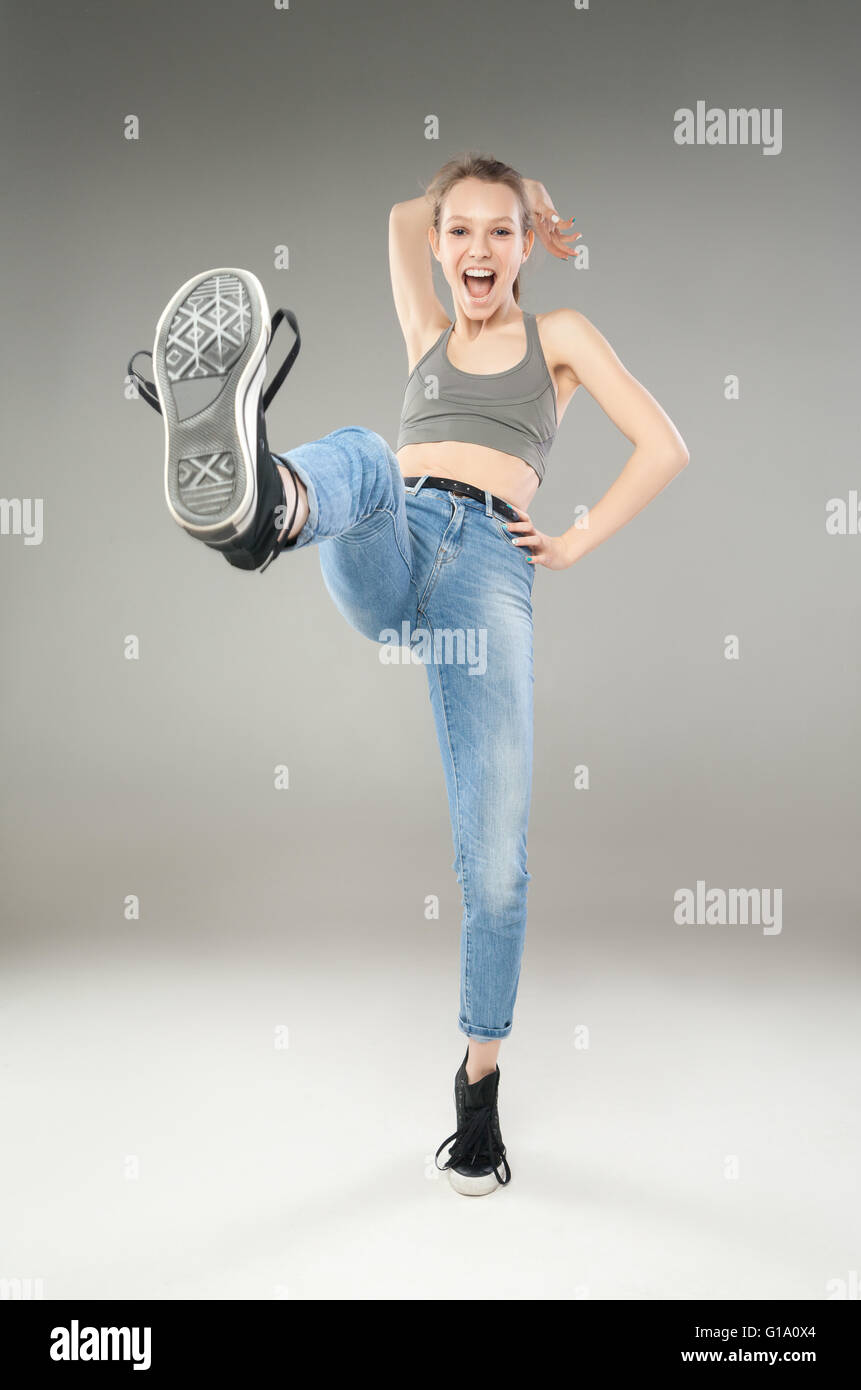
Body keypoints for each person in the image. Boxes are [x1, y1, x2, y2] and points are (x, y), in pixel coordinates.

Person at [126, 151, 689, 1198]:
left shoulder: (557, 339)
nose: (476, 248)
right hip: (386, 528)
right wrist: (499, 195)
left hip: (487, 581)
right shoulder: (425, 337)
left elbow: (662, 444)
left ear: (525, 249)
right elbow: (394, 210)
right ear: (439, 248)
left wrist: (569, 540)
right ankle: (264, 507)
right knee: (366, 453)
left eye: (499, 232)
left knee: (497, 866)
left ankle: (476, 1098)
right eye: (460, 230)